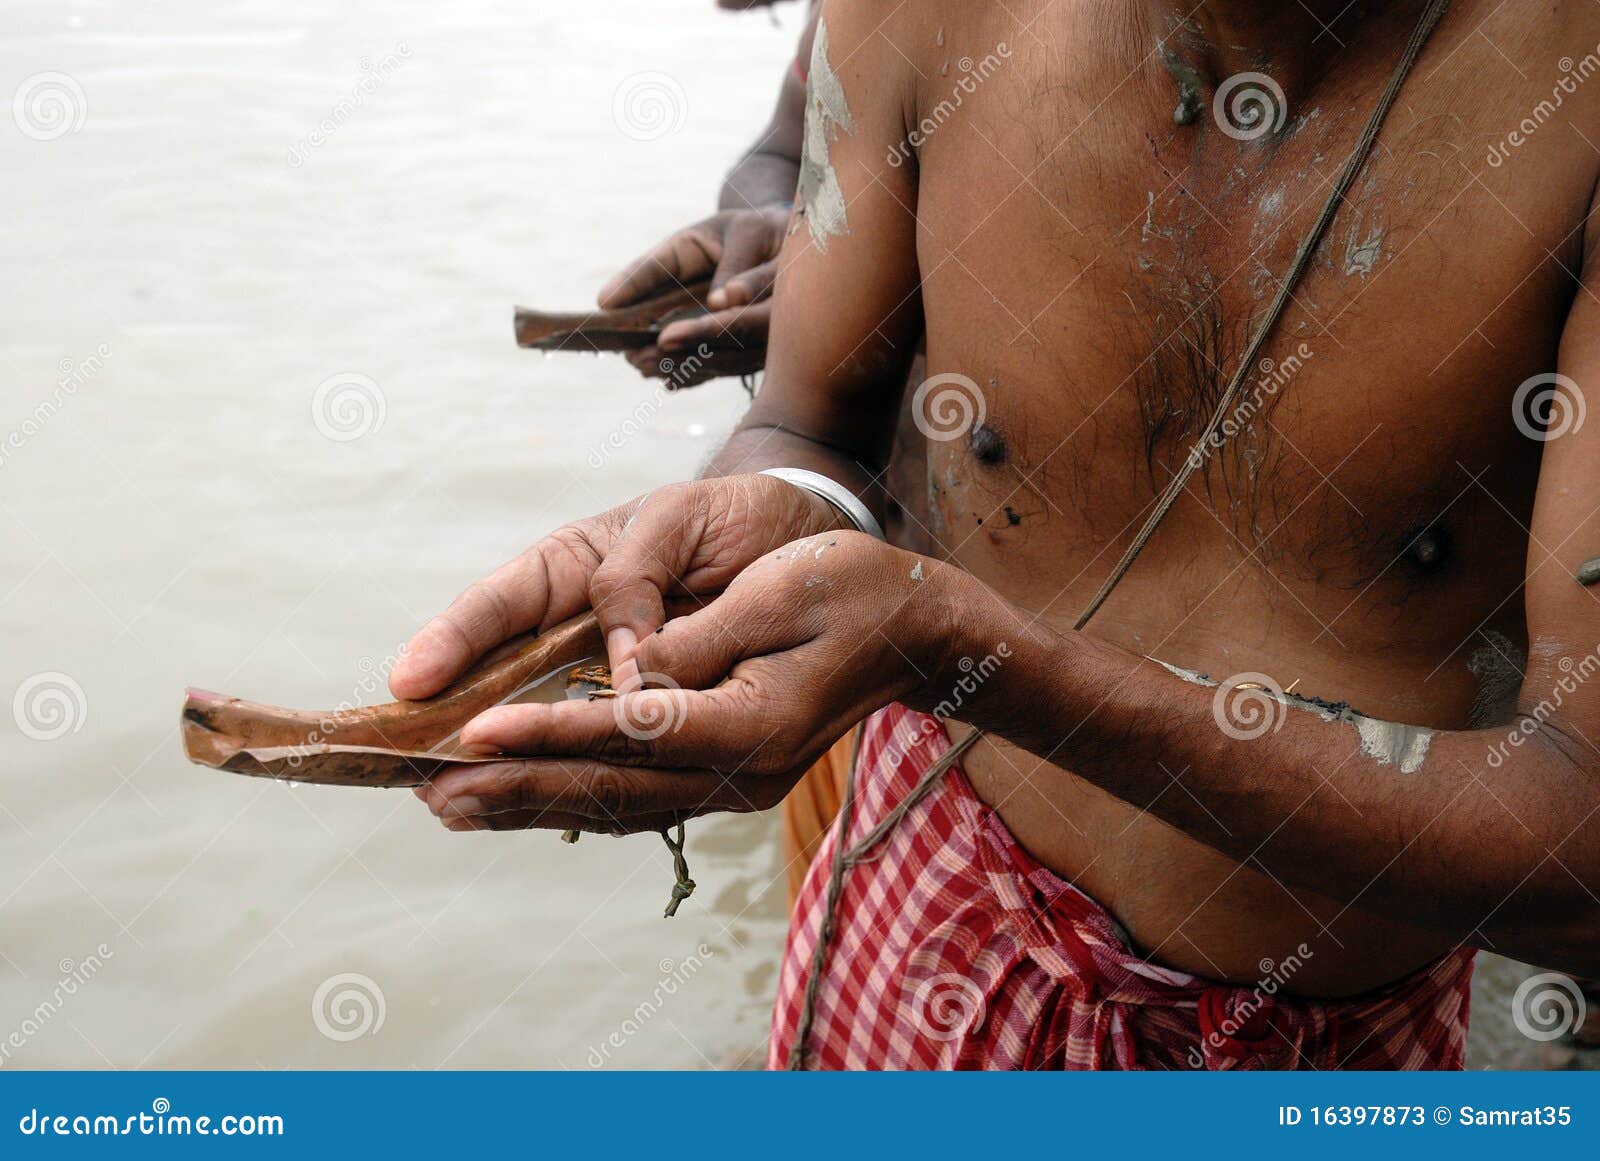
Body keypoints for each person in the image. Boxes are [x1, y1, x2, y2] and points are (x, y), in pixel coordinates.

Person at [398, 0, 1600, 1069]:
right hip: (920, 905)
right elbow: (813, 419)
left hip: (1330, 1049)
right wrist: (771, 521)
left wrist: (959, 649)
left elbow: (1581, 837)